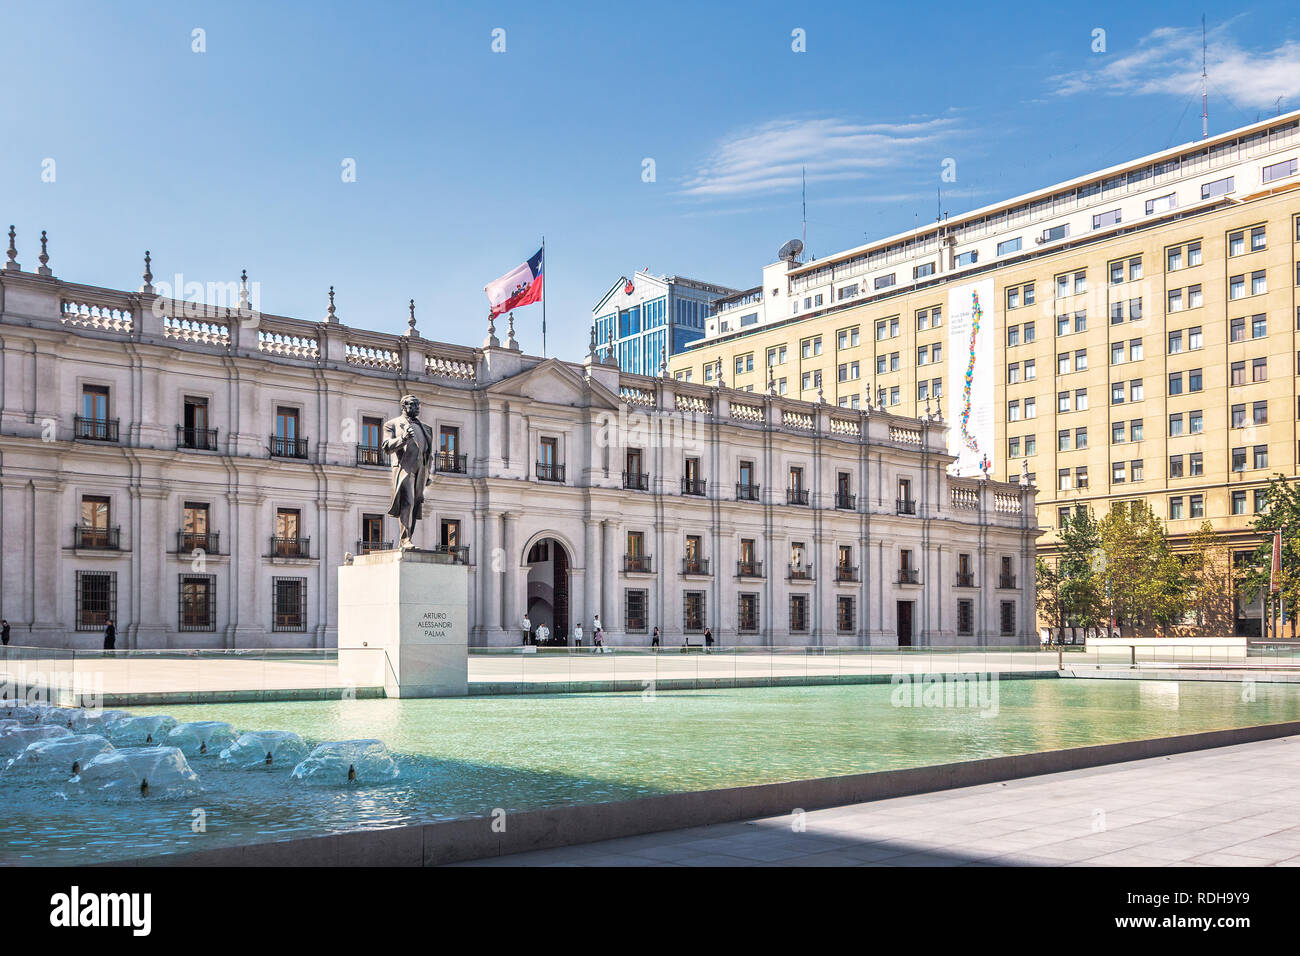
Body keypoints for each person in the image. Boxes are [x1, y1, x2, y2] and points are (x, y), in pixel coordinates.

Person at [381, 394, 435, 549]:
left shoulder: (426, 428)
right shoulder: (392, 424)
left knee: (415, 505)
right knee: (408, 502)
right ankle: (405, 540)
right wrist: (403, 439)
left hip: (421, 470)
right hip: (404, 468)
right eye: (413, 404)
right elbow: (386, 446)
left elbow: (427, 453)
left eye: (418, 405)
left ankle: (408, 538)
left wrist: (427, 474)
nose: (417, 408)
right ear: (403, 406)